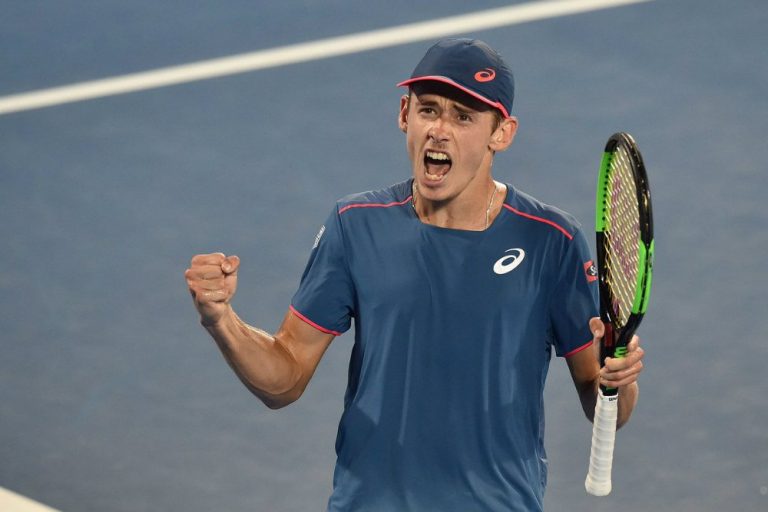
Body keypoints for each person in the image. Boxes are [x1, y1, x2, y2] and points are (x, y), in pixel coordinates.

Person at [185, 38, 645, 512]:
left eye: (463, 117)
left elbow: (604, 403)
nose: (439, 131)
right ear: (404, 114)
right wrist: (221, 319)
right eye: (429, 110)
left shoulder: (551, 241)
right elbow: (285, 379)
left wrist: (619, 380)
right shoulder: (356, 226)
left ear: (502, 133)